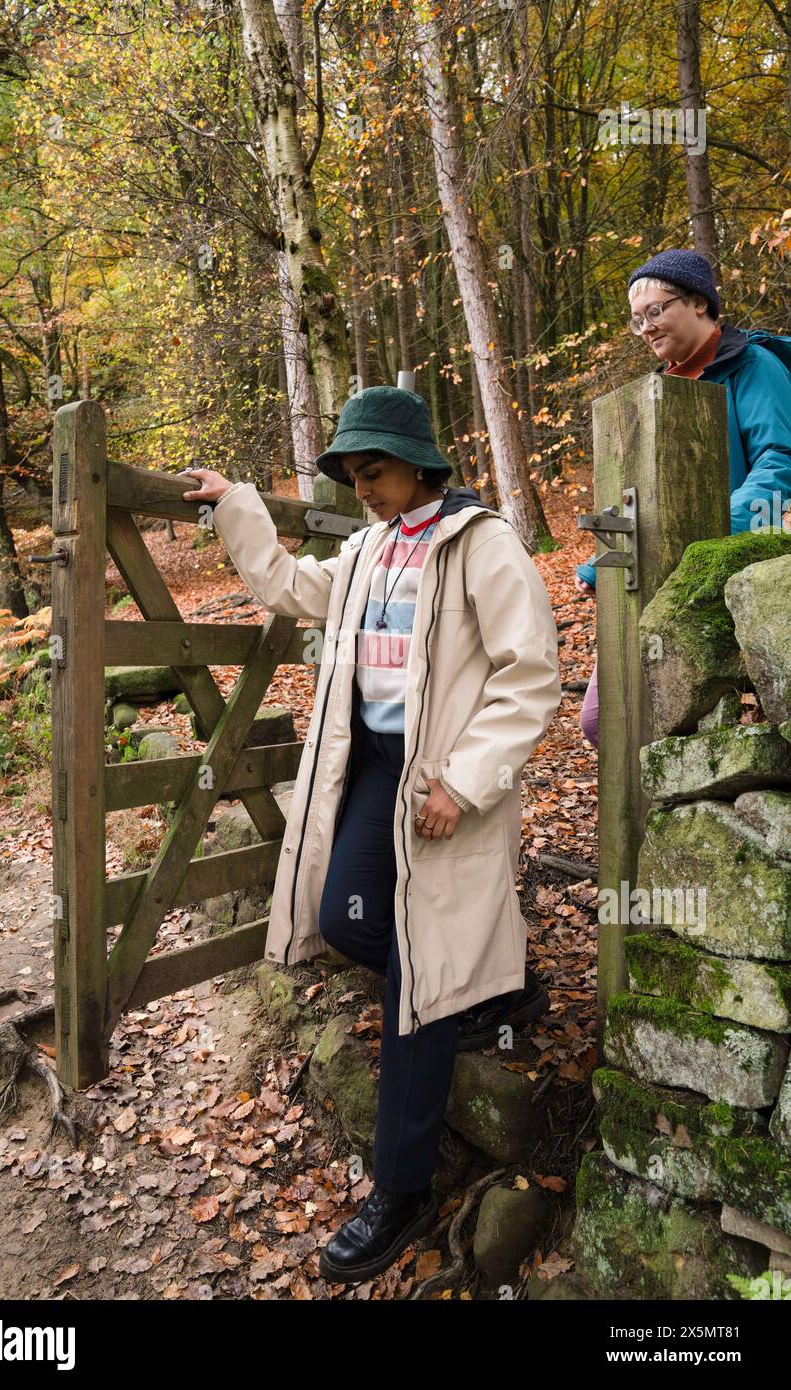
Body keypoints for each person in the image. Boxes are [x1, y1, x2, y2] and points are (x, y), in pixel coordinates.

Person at [180, 385, 561, 1283]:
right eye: (353, 476)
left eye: (376, 471)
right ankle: (480, 991)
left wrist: (464, 785)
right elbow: (287, 585)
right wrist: (236, 502)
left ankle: (401, 1185)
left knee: (417, 982)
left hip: (440, 779)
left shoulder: (483, 544)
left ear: (420, 463)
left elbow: (530, 676)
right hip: (370, 771)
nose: (365, 490)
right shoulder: (365, 550)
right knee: (349, 920)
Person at [575, 248, 791, 746]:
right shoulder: (654, 391)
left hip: (724, 571)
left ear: (699, 303)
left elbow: (779, 466)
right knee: (605, 720)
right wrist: (601, 560)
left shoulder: (752, 366)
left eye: (656, 310)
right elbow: (639, 498)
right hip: (657, 571)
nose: (646, 327)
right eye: (637, 320)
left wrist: (700, 533)